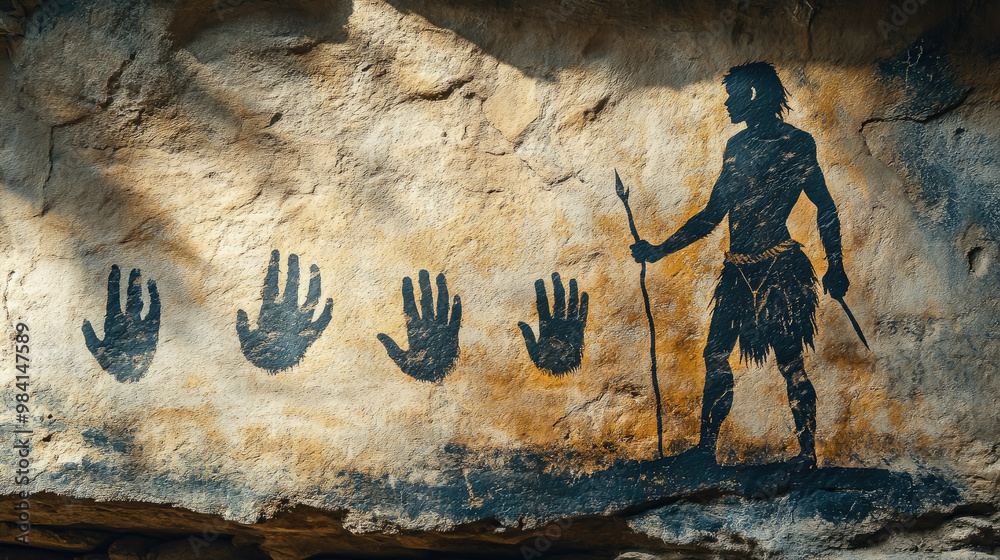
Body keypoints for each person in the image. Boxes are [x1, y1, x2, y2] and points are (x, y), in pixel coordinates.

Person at [630, 61, 850, 468]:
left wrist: (835, 264)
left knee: (790, 363)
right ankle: (705, 451)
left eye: (733, 96)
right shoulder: (736, 147)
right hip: (738, 270)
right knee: (715, 356)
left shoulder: (798, 144)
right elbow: (713, 213)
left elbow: (825, 205)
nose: (728, 105)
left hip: (780, 268)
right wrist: (660, 249)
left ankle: (807, 453)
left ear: (751, 96)